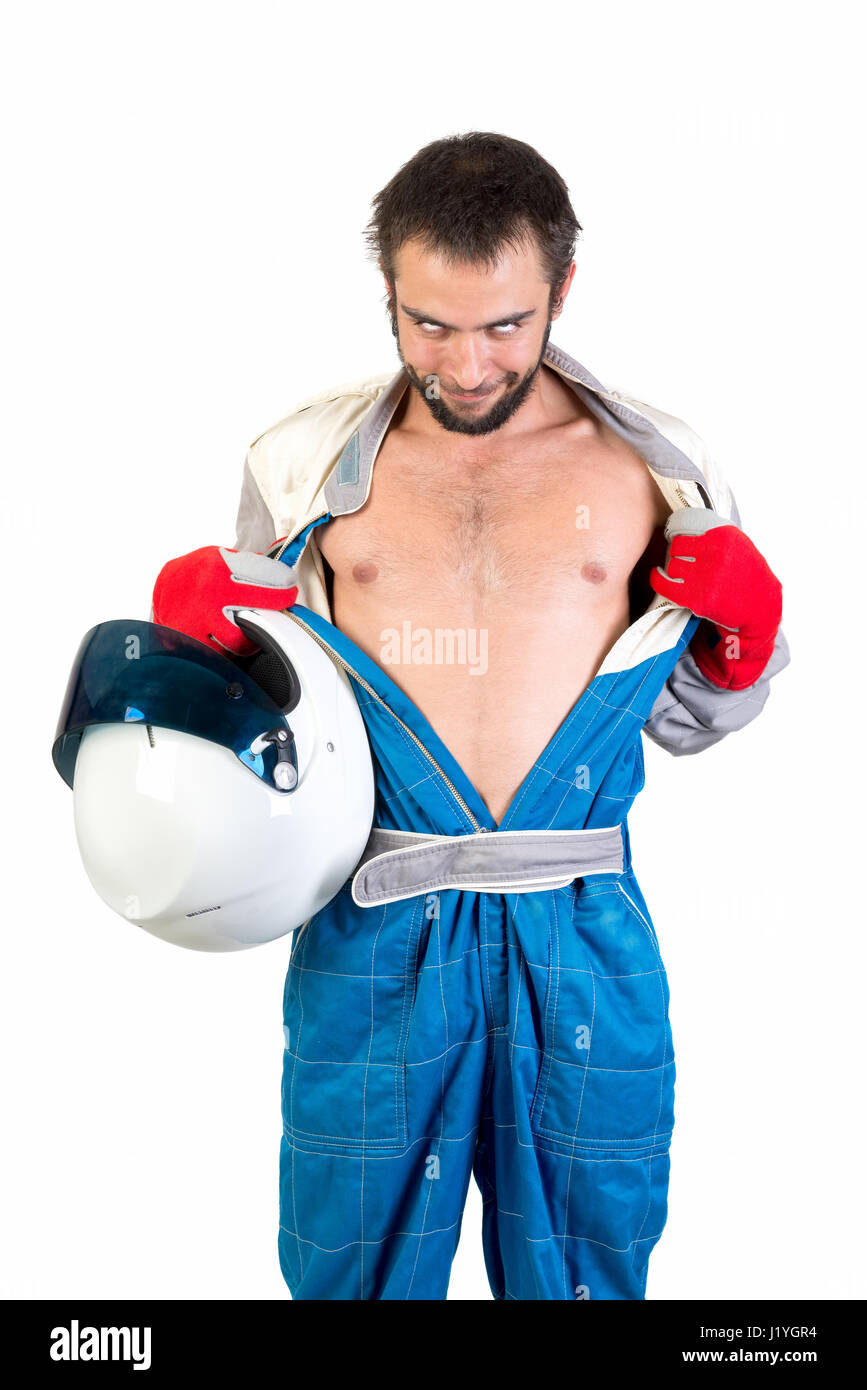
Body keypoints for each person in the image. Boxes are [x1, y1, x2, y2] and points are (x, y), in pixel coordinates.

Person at [152, 132, 789, 1300]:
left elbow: (699, 716)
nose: (469, 362)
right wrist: (195, 662)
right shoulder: (303, 463)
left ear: (561, 291)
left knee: (591, 1271)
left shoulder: (660, 468)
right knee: (350, 1270)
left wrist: (745, 635)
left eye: (505, 324)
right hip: (375, 920)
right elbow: (262, 736)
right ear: (390, 296)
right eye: (429, 325)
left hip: (583, 921)